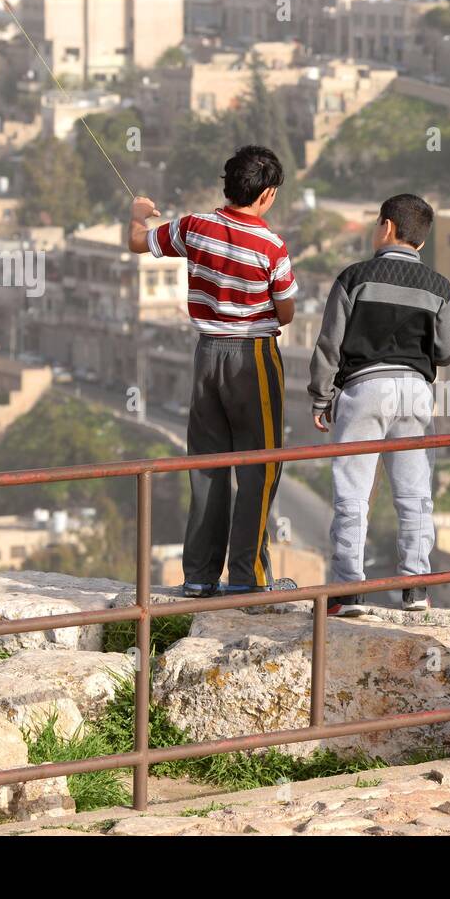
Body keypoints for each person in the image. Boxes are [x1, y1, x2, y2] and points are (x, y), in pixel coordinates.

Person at [128, 145, 298, 598]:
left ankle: (200, 576)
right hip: (254, 358)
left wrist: (138, 213)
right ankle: (248, 577)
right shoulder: (271, 246)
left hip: (206, 356)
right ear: (266, 195)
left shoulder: (192, 227)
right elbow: (286, 313)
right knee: (259, 468)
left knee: (207, 465)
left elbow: (136, 241)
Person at [308, 194, 450, 616]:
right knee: (414, 495)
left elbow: (330, 344)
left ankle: (349, 592)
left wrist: (321, 397)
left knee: (353, 495)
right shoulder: (439, 286)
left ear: (388, 227)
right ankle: (415, 589)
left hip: (364, 390)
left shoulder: (354, 277)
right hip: (415, 392)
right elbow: (449, 350)